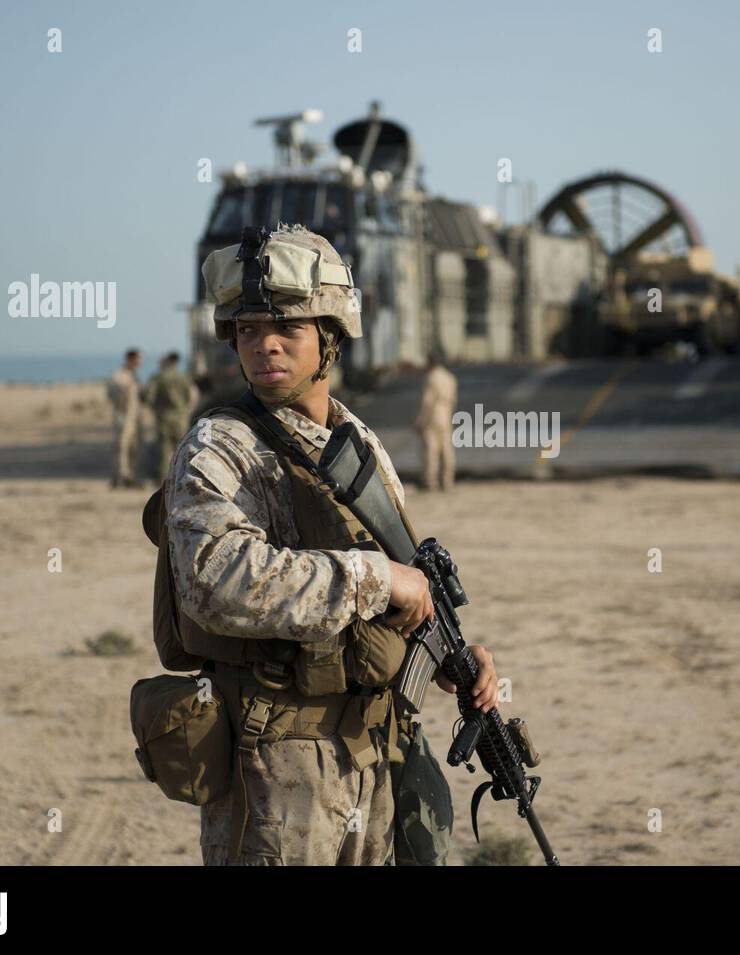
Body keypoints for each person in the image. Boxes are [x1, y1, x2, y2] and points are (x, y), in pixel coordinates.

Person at [165, 224, 497, 865]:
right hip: (277, 762)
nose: (264, 346)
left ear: (330, 337)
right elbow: (215, 581)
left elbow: (401, 585)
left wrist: (450, 651)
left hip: (371, 748)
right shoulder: (220, 447)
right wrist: (377, 579)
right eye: (247, 330)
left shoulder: (355, 442)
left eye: (286, 329)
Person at [141, 352, 197, 485]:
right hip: (181, 418)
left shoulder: (159, 377)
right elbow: (191, 396)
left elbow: (148, 396)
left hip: (164, 417)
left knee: (164, 450)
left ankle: (163, 481)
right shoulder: (183, 377)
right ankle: (183, 479)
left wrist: (154, 406)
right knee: (182, 450)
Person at [413, 353, 458, 492]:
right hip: (446, 416)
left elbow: (428, 402)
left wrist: (420, 420)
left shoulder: (431, 378)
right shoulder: (450, 378)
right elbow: (453, 400)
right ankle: (447, 481)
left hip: (432, 418)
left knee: (430, 452)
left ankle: (430, 482)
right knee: (447, 451)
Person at [106, 349, 142, 488]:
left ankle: (130, 476)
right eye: (138, 359)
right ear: (131, 359)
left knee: (134, 449)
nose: (140, 363)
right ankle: (120, 477)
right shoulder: (119, 376)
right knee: (121, 448)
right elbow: (112, 393)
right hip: (123, 418)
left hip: (134, 418)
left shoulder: (133, 376)